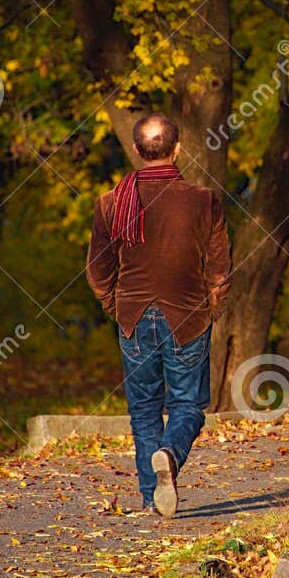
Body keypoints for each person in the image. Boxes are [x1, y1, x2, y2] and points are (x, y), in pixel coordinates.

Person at [87, 114, 230, 516]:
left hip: (134, 318)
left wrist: (118, 308)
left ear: (136, 151)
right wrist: (210, 310)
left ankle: (153, 499)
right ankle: (169, 453)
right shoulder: (204, 200)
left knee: (144, 409)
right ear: (177, 149)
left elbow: (99, 272)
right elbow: (219, 271)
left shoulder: (111, 202)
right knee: (187, 405)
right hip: (188, 316)